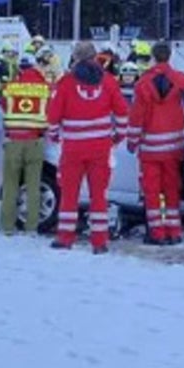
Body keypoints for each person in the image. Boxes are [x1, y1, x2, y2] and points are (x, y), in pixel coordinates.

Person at [46, 41, 129, 252]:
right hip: (100, 147)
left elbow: (53, 115)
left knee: (69, 194)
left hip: (73, 147)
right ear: (95, 57)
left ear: (74, 58)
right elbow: (122, 113)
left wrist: (55, 136)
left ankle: (65, 237)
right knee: (99, 195)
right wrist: (117, 136)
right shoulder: (109, 81)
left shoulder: (65, 82)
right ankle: (99, 241)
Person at [127, 41, 184, 245]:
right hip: (174, 147)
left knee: (152, 192)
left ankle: (156, 233)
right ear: (170, 56)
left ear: (153, 57)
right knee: (171, 189)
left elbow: (137, 116)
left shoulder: (143, 84)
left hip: (151, 148)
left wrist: (132, 140)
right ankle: (174, 231)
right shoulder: (180, 78)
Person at [0, 53, 50, 236]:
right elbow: (50, 113)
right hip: (35, 142)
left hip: (13, 142)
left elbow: (4, 107)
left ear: (20, 68)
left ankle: (7, 226)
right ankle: (31, 227)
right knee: (33, 186)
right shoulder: (45, 88)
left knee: (10, 185)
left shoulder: (10, 88)